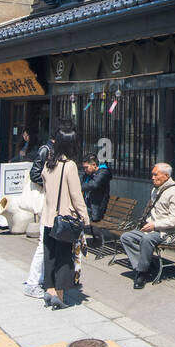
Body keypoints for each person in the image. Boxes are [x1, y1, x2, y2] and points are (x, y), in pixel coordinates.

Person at [26, 129, 88, 310]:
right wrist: (85, 217)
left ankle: (50, 291)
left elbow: (46, 187)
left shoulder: (49, 164)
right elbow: (76, 196)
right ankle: (59, 297)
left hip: (47, 218)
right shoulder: (69, 166)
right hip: (64, 219)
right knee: (63, 258)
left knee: (49, 257)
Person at [121, 163, 175, 287]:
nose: (152, 177)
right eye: (152, 174)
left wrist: (155, 225)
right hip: (153, 230)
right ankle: (145, 265)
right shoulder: (155, 190)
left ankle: (142, 273)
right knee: (126, 237)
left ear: (166, 176)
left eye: (155, 174)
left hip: (170, 233)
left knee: (147, 239)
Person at [81, 153, 112, 224]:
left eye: (86, 167)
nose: (85, 170)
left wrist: (79, 187)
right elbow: (82, 184)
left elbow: (94, 184)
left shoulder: (103, 173)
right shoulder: (88, 174)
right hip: (87, 205)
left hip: (96, 209)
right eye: (84, 168)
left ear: (94, 165)